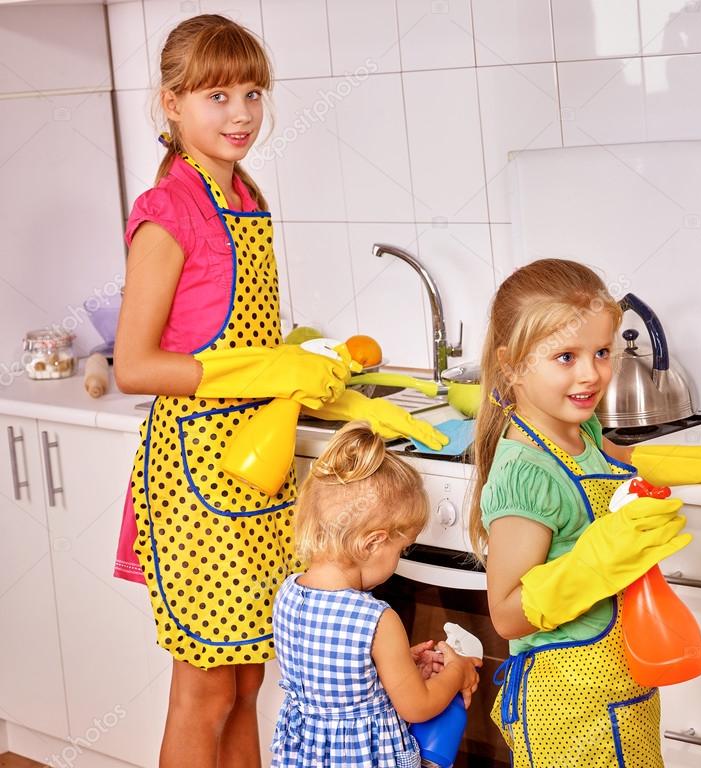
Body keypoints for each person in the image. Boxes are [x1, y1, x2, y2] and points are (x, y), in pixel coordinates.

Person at [112, 14, 442, 766]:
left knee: (248, 681)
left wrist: (311, 371)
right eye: (216, 96)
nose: (240, 114)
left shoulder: (245, 194)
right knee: (205, 689)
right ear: (171, 103)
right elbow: (135, 364)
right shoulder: (170, 213)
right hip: (198, 477)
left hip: (256, 468)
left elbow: (236, 335)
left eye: (253, 93)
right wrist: (265, 371)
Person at [470, 259, 701, 766]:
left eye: (600, 352)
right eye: (565, 357)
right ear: (511, 365)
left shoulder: (576, 429)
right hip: (567, 710)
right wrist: (599, 558)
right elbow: (506, 614)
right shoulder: (525, 472)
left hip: (622, 690)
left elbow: (621, 458)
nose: (590, 373)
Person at [272, 421, 481, 768]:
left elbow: (334, 677)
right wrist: (456, 673)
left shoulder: (289, 592)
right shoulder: (377, 619)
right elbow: (418, 706)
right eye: (401, 549)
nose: (398, 560)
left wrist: (398, 665)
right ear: (373, 543)